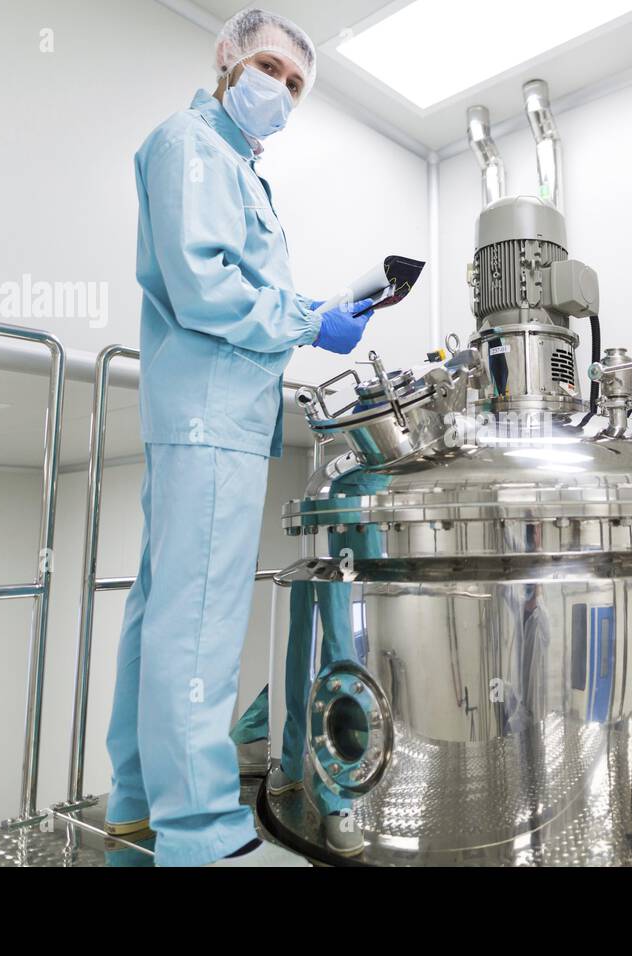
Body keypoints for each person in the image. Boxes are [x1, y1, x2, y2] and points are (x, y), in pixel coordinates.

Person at [103, 7, 375, 868]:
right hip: (208, 416)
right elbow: (205, 286)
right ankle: (204, 836)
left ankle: (141, 805)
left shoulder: (236, 167)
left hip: (209, 416)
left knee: (164, 608)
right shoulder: (193, 145)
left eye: (295, 85)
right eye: (269, 69)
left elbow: (226, 283)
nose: (281, 92)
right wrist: (310, 319)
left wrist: (311, 317)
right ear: (227, 57)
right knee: (200, 627)